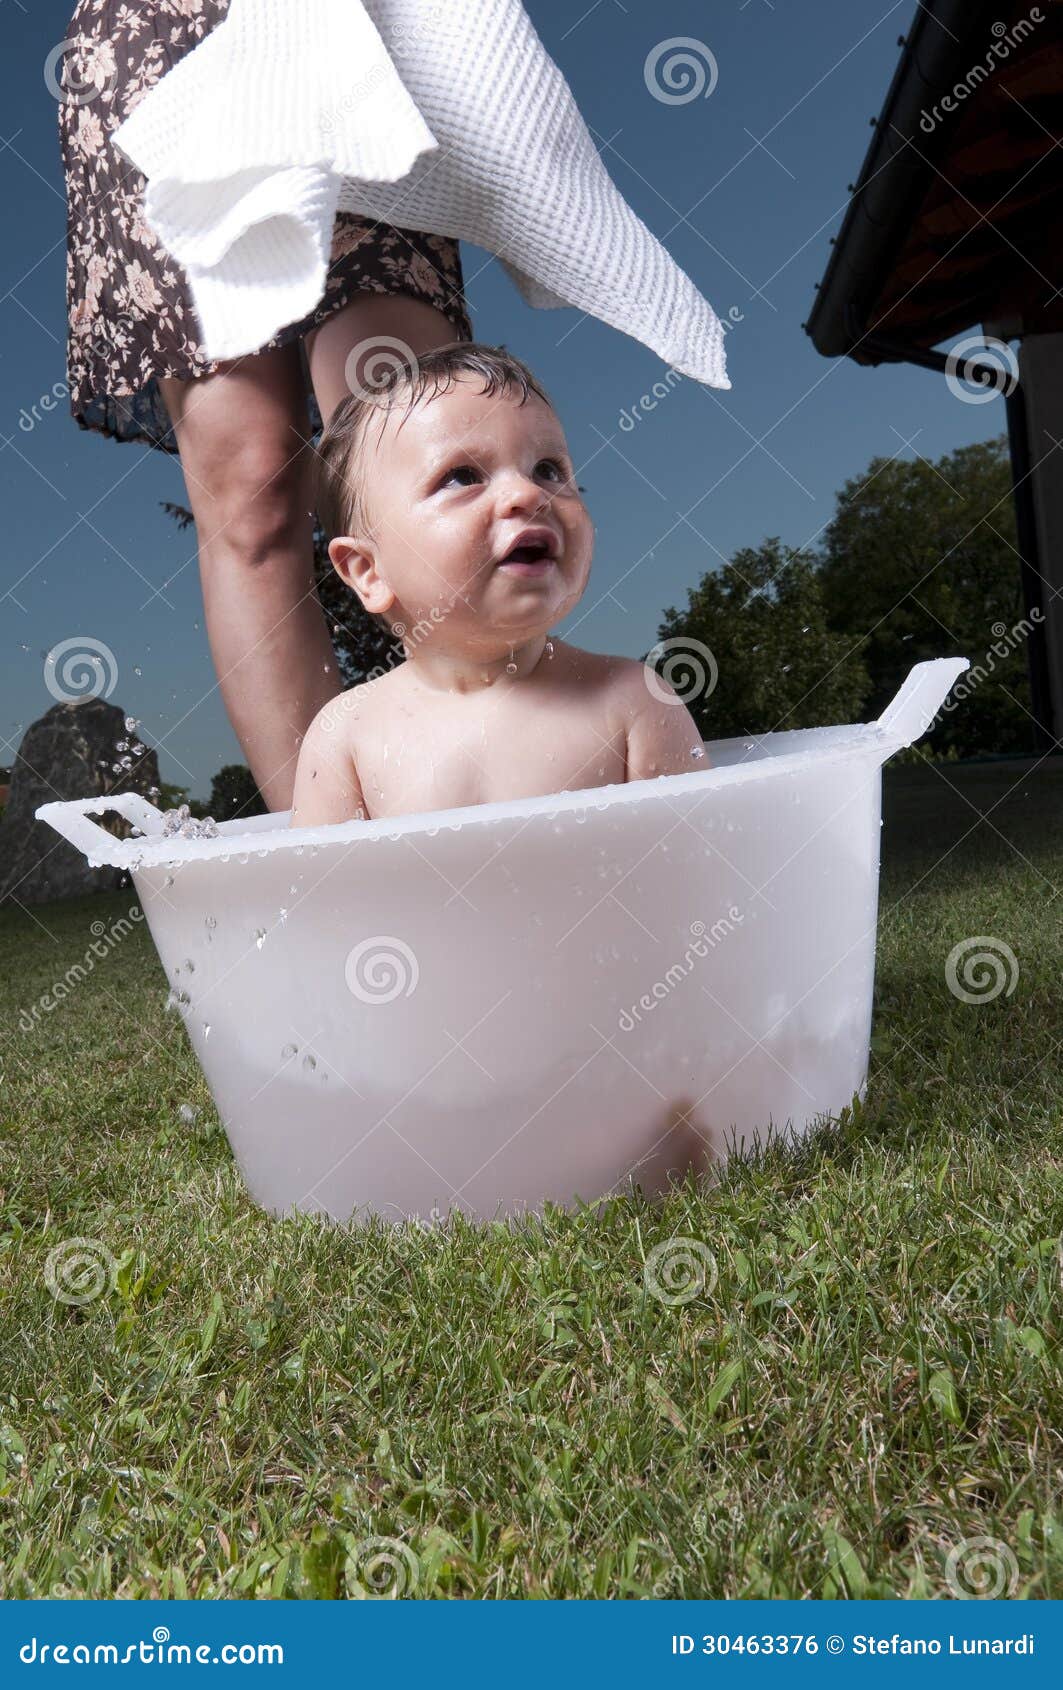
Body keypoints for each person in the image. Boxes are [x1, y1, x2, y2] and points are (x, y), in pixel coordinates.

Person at [58, 0, 473, 811]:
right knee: (247, 485)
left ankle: (506, 790)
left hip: (350, 29)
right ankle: (329, 848)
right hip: (158, 40)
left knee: (418, 436)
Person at [289, 343, 708, 827]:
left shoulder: (633, 701)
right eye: (461, 476)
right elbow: (321, 899)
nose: (528, 494)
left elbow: (696, 878)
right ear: (369, 571)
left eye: (548, 470)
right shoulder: (347, 737)